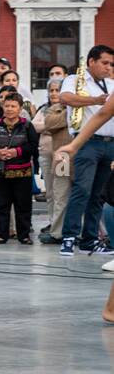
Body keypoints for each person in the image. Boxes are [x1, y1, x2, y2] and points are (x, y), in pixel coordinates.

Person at [56, 45, 114, 256]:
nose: (108, 67)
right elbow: (66, 98)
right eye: (104, 63)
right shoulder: (75, 79)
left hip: (111, 143)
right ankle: (69, 237)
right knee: (82, 189)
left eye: (111, 64)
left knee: (100, 194)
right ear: (91, 61)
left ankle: (90, 240)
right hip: (88, 143)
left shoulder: (111, 82)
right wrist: (96, 101)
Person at [0, 92, 38, 244]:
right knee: (2, 205)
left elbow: (33, 146)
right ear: (2, 107)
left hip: (23, 172)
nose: (9, 109)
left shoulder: (27, 125)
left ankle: (24, 235)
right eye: (7, 106)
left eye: (13, 106)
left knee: (23, 205)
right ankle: (2, 235)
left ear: (20, 108)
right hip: (0, 172)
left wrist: (17, 151)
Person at [36, 79, 71, 244]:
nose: (56, 94)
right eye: (53, 90)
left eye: (59, 90)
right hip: (62, 157)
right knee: (59, 193)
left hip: (77, 155)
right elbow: (50, 123)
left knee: (81, 194)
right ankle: (57, 232)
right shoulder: (52, 109)